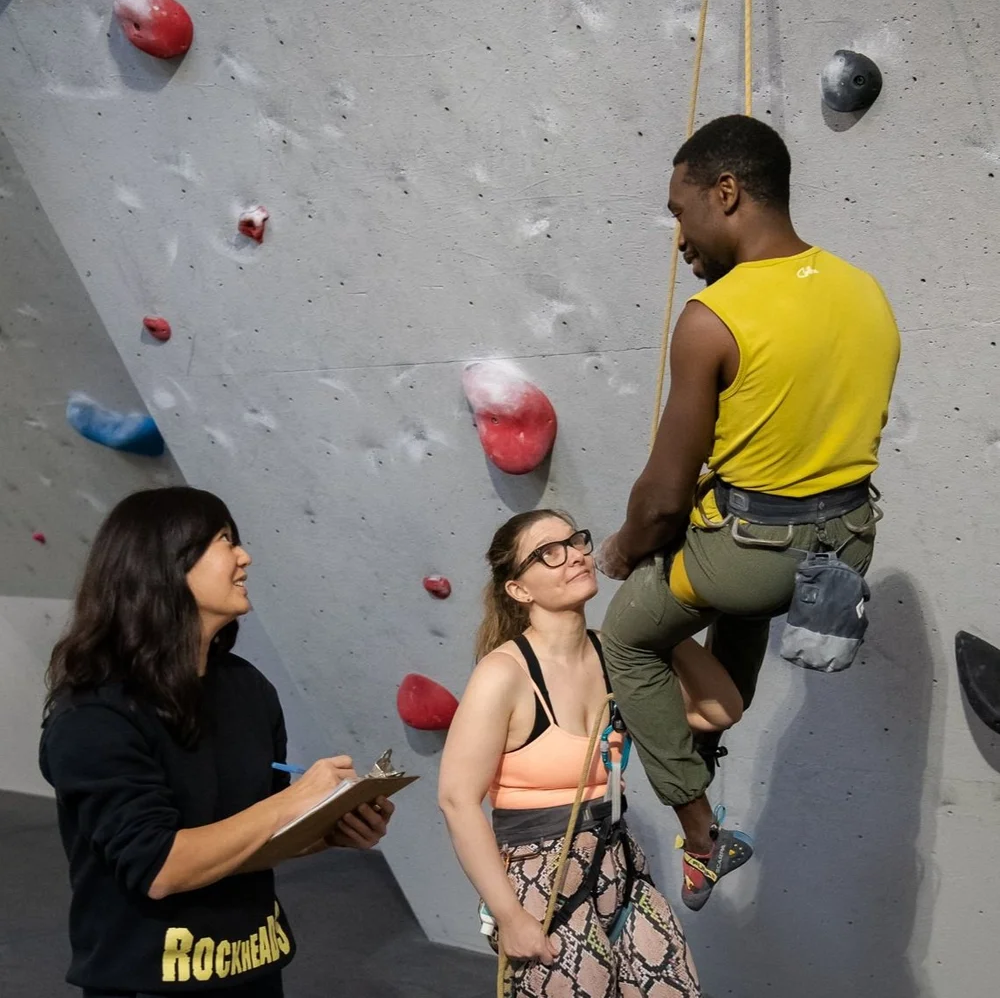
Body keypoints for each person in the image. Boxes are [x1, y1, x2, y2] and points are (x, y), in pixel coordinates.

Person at [596, 114, 901, 911]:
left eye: (679, 211)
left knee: (627, 637)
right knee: (735, 603)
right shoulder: (864, 290)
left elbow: (663, 500)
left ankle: (700, 833)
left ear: (725, 192)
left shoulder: (713, 319)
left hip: (751, 558)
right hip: (842, 548)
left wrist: (625, 549)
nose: (680, 237)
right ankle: (703, 736)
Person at [39, 486, 395, 997]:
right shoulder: (94, 715)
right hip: (151, 980)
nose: (244, 556)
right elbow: (159, 866)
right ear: (165, 563)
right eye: (225, 540)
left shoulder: (247, 688)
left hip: (251, 965)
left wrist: (327, 829)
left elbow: (250, 836)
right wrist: (297, 800)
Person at [439, 509, 741, 998]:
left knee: (672, 988)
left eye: (575, 541)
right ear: (519, 590)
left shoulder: (616, 655)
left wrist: (655, 627)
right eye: (548, 552)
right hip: (539, 874)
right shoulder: (504, 675)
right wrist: (510, 916)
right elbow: (456, 800)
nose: (575, 555)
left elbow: (718, 711)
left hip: (617, 858)